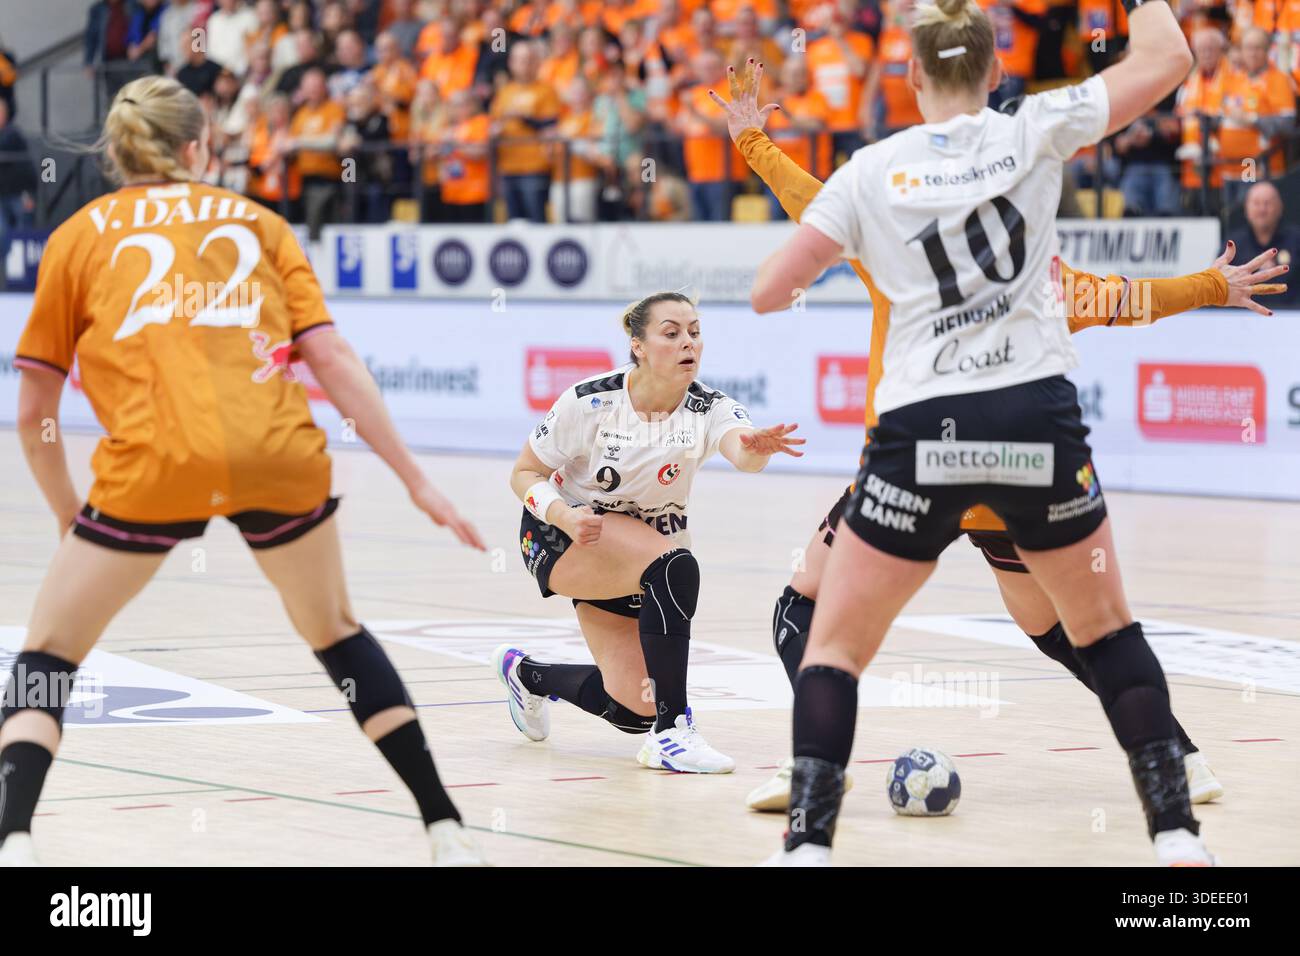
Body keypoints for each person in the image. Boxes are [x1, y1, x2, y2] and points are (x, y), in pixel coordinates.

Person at [712, 59, 1288, 814]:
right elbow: (1129, 300)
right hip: (1011, 471)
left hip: (913, 466)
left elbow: (812, 204)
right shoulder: (1040, 276)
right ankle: (1177, 762)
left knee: (802, 609)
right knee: (1072, 632)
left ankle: (813, 769)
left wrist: (752, 141)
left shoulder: (902, 248)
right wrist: (1216, 286)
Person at [0, 76, 486, 868]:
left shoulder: (78, 236)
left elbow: (34, 410)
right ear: (199, 146)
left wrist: (66, 513)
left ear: (120, 152)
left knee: (50, 655)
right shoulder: (259, 221)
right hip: (277, 455)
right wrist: (414, 479)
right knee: (336, 633)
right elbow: (330, 358)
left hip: (154, 466)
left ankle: (15, 841)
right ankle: (446, 828)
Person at [495, 292, 804, 773]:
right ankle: (673, 732)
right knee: (676, 568)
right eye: (672, 332)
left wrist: (757, 448)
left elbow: (742, 453)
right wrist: (563, 516)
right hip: (562, 535)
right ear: (638, 345)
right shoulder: (591, 401)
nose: (689, 343)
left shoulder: (708, 407)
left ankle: (528, 675)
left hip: (634, 555)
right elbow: (523, 473)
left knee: (632, 707)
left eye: (695, 332)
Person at [1229, 182, 1300, 308]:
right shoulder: (1233, 245)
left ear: (1280, 207)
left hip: (1291, 318)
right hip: (1241, 319)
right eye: (1256, 203)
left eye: (1267, 203)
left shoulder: (1296, 240)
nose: (1262, 209)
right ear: (1246, 208)